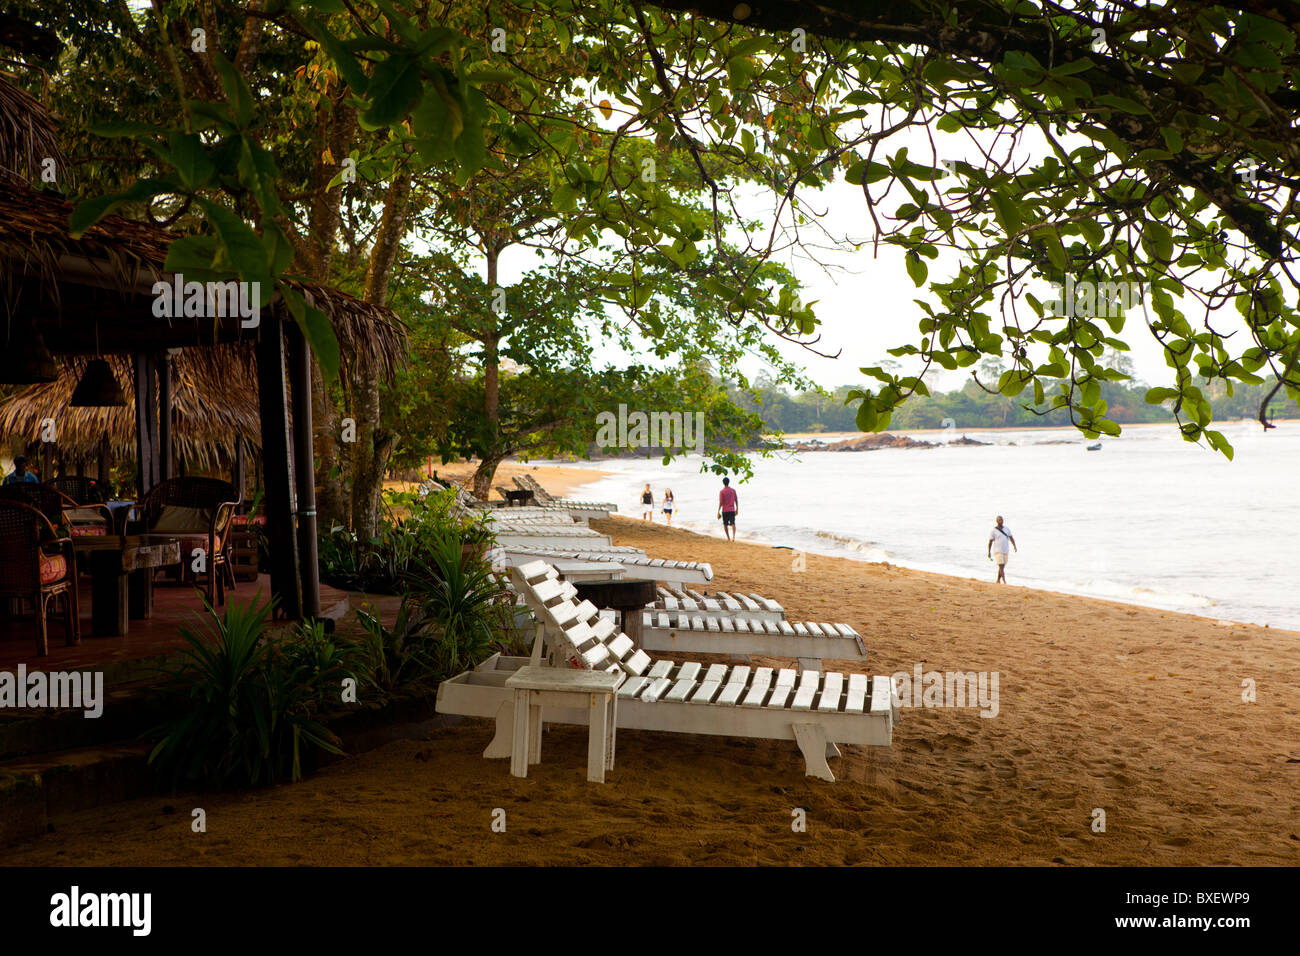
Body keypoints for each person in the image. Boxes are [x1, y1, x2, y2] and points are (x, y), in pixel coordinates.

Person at [987, 515, 1017, 583]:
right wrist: (989, 552)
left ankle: (998, 580)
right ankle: (1004, 580)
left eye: (1002, 520)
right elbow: (990, 542)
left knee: (1002, 566)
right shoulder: (993, 531)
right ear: (997, 521)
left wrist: (1014, 546)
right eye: (999, 520)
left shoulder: (1006, 529)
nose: (1001, 521)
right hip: (998, 551)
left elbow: (1011, 537)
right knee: (1001, 565)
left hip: (1005, 550)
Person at [717, 476, 738, 541]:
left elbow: (721, 502)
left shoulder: (722, 492)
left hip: (725, 510)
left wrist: (718, 511)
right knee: (733, 523)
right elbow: (736, 500)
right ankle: (733, 537)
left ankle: (728, 538)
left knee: (725, 524)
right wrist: (737, 508)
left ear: (723, 483)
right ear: (728, 482)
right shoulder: (733, 490)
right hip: (732, 510)